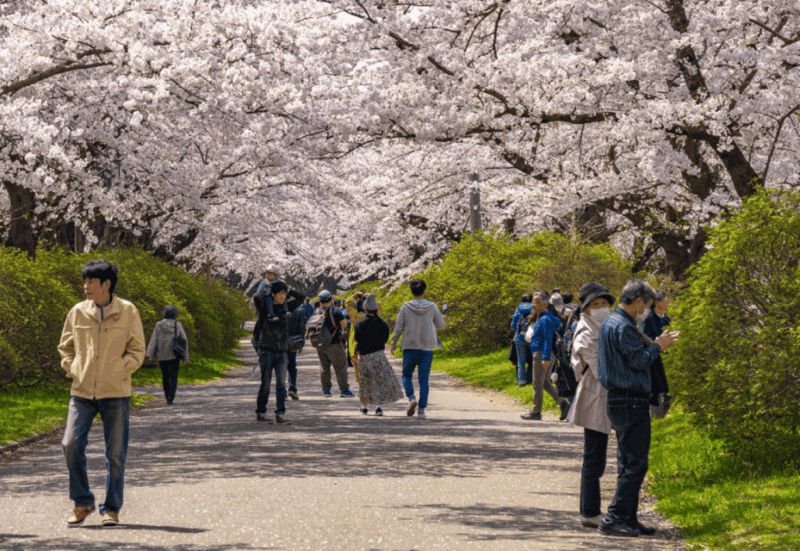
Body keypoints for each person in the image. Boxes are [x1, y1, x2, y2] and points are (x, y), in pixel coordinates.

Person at [58, 259, 146, 527]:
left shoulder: (128, 311)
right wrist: (73, 368)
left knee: (115, 454)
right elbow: (66, 347)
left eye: (91, 282)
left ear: (106, 285)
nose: (85, 286)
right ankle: (83, 501)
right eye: (84, 281)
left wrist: (121, 369)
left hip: (116, 392)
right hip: (82, 391)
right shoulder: (77, 312)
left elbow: (137, 350)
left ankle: (111, 508)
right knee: (70, 444)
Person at [597, 279, 678, 537]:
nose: (648, 310)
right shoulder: (624, 326)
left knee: (627, 461)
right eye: (648, 305)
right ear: (639, 301)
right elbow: (639, 360)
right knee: (636, 464)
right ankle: (615, 518)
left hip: (619, 399)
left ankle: (629, 518)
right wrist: (658, 346)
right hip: (631, 400)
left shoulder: (611, 322)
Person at [565, 282, 615, 529]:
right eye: (595, 305)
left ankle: (591, 510)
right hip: (594, 398)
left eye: (604, 303)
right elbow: (602, 370)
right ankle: (589, 512)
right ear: (584, 310)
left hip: (602, 397)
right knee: (594, 456)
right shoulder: (586, 334)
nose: (602, 308)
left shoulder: (603, 328)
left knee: (598, 456)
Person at [390, 279, 446, 419]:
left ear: (411, 291)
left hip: (409, 347)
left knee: (406, 375)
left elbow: (399, 326)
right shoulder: (432, 307)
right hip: (426, 348)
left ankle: (411, 398)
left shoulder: (406, 306)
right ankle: (421, 410)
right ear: (424, 291)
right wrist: (443, 319)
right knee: (423, 380)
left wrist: (393, 342)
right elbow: (441, 326)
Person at [253, 280, 304, 424]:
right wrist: (267, 288)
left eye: (284, 294)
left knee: (281, 385)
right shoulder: (264, 308)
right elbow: (257, 297)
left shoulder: (287, 307)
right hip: (266, 351)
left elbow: (301, 298)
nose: (282, 297)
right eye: (280, 294)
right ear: (273, 294)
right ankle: (261, 412)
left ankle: (280, 413)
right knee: (266, 384)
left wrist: (289, 289)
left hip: (282, 351)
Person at [521, 291, 570, 421]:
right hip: (542, 353)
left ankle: (536, 412)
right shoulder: (543, 318)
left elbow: (548, 339)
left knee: (537, 383)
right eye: (533, 302)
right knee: (546, 383)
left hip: (542, 353)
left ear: (543, 304)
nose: (533, 305)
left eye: (536, 303)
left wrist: (545, 358)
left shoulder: (545, 319)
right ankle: (564, 404)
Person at [353, 293, 404, 415]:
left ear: (365, 309)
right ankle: (378, 407)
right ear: (376, 309)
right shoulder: (383, 324)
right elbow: (385, 338)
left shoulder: (360, 324)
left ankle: (364, 407)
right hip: (379, 355)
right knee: (379, 381)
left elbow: (357, 338)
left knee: (365, 382)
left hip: (364, 356)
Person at [146, 305, 190, 404]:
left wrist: (149, 354)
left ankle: (167, 396)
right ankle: (171, 397)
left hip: (162, 354)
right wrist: (185, 357)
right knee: (174, 375)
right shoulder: (178, 325)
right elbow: (184, 340)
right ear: (175, 314)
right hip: (175, 354)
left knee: (165, 375)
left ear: (164, 313)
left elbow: (154, 339)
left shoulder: (159, 325)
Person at [314, 290, 354, 397]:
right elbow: (343, 324)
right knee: (340, 366)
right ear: (331, 299)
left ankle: (326, 390)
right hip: (334, 342)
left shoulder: (317, 311)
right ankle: (344, 390)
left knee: (324, 367)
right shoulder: (336, 311)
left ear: (320, 301)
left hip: (320, 344)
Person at [510, 293, 534, 386]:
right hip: (532, 336)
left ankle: (521, 381)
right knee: (533, 359)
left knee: (521, 360)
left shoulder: (518, 308)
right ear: (531, 299)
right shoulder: (534, 307)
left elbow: (513, 324)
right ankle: (531, 379)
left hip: (519, 337)